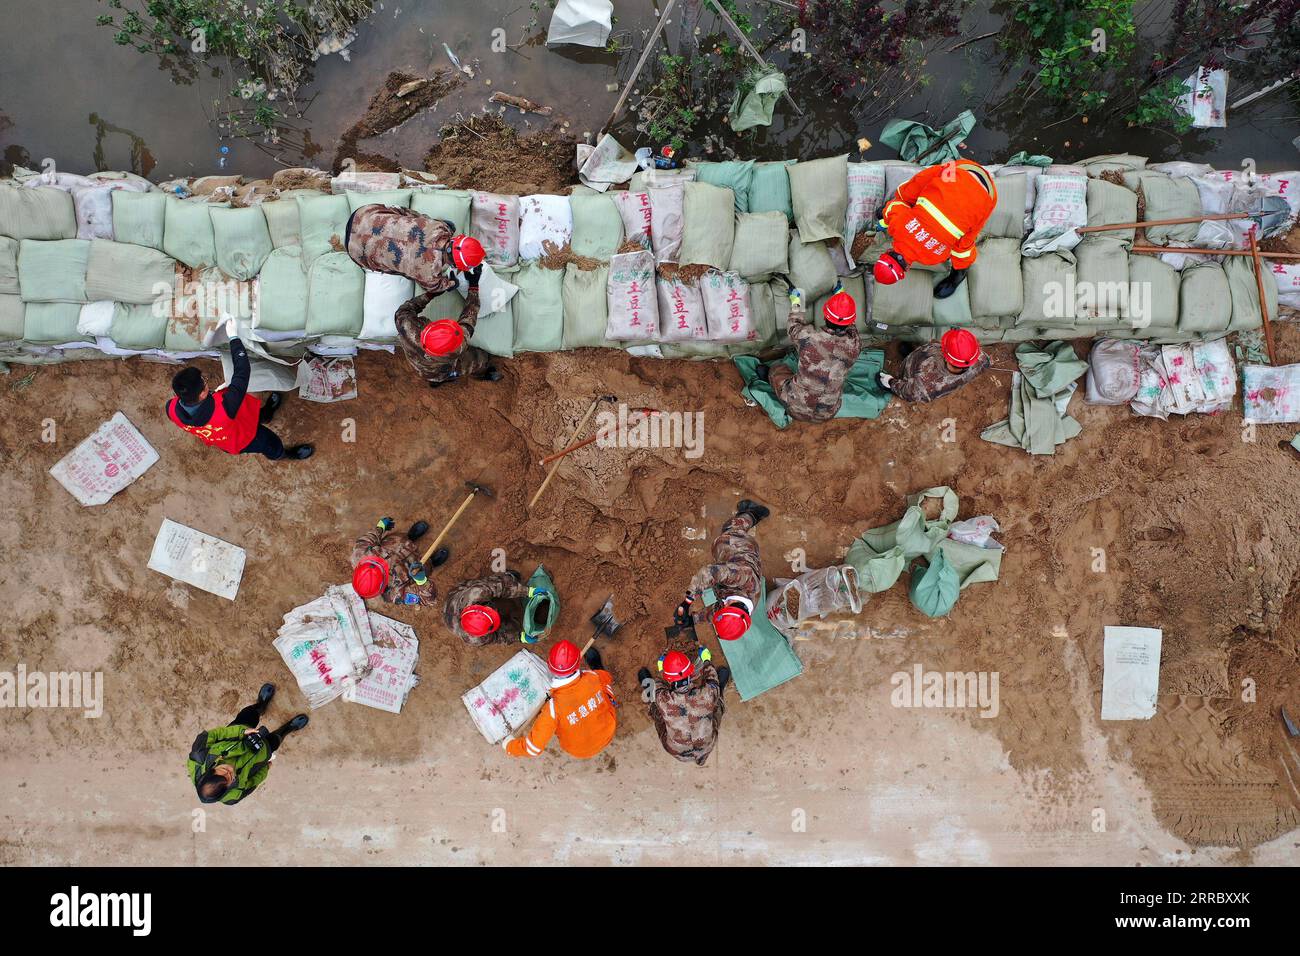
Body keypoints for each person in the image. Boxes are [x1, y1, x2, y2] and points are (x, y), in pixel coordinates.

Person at [345, 203, 499, 387]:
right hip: (358, 248)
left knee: (412, 225)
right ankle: (444, 378)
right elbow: (469, 317)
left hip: (364, 216)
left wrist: (430, 296)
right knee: (478, 360)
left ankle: (435, 379)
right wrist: (470, 286)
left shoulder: (439, 227)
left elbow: (407, 309)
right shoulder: (451, 347)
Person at [167, 320, 313, 460]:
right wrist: (234, 337)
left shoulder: (171, 409)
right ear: (202, 394)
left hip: (229, 425)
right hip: (243, 438)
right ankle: (283, 455)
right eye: (204, 382)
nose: (206, 381)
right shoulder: (224, 408)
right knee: (269, 443)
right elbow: (242, 373)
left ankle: (265, 415)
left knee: (253, 411)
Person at [873, 158, 998, 300]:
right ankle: (959, 275)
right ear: (887, 252)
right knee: (906, 194)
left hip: (988, 195)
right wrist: (883, 213)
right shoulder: (897, 225)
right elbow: (894, 206)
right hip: (963, 169)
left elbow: (944, 249)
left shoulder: (932, 258)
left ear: (907, 269)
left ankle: (959, 274)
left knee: (963, 247)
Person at [186, 683, 308, 806]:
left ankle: (260, 705)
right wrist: (265, 769)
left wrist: (241, 731)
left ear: (210, 770)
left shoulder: (198, 756)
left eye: (223, 769)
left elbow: (213, 735)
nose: (230, 770)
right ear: (227, 789)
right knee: (275, 741)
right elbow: (252, 783)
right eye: (230, 778)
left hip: (238, 734)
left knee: (249, 715)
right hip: (258, 755)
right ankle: (287, 728)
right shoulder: (233, 797)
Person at [758, 287, 862, 423]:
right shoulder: (855, 345)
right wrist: (843, 304)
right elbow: (850, 327)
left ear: (825, 316)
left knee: (777, 369)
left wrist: (796, 302)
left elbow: (793, 326)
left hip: (795, 408)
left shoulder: (808, 337)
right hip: (828, 414)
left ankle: (770, 379)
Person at [504, 640, 617, 760]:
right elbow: (607, 678)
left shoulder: (552, 709)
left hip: (578, 750)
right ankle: (597, 666)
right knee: (604, 681)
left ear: (550, 666)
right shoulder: (593, 677)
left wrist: (509, 746)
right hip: (608, 732)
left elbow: (533, 749)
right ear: (578, 663)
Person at [677, 499, 768, 643]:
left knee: (726, 536)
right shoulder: (744, 579)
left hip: (731, 562)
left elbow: (716, 612)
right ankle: (752, 513)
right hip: (739, 547)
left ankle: (750, 515)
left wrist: (693, 619)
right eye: (725, 607)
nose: (723, 606)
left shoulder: (738, 609)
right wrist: (688, 600)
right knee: (730, 528)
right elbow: (710, 573)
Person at [638, 630, 730, 766]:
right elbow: (712, 679)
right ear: (691, 672)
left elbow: (659, 684)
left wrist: (661, 670)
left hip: (677, 751)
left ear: (668, 678)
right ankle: (720, 691)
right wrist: (706, 660)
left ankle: (647, 688)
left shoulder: (663, 700)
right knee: (715, 702)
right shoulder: (707, 694)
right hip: (706, 746)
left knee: (655, 707)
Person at [351, 517, 448, 606]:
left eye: (375, 563)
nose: (381, 563)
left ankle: (411, 536)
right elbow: (428, 599)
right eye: (382, 569)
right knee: (425, 567)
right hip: (415, 566)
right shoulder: (395, 594)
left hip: (397, 543)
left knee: (403, 538)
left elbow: (366, 539)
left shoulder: (359, 556)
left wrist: (380, 527)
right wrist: (421, 580)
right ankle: (432, 563)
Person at [879, 327, 990, 404]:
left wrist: (890, 382)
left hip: (912, 371)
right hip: (922, 357)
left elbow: (909, 393)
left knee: (906, 373)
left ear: (946, 357)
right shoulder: (981, 360)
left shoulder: (925, 385)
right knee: (916, 354)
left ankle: (904, 363)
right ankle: (911, 353)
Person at [443, 570, 530, 646]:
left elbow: (501, 587)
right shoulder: (475, 638)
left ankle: (508, 576)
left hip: (458, 593)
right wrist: (518, 637)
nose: (496, 611)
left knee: (501, 582)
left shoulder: (478, 593)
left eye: (492, 612)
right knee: (512, 628)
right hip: (451, 614)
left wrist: (527, 592)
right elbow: (497, 638)